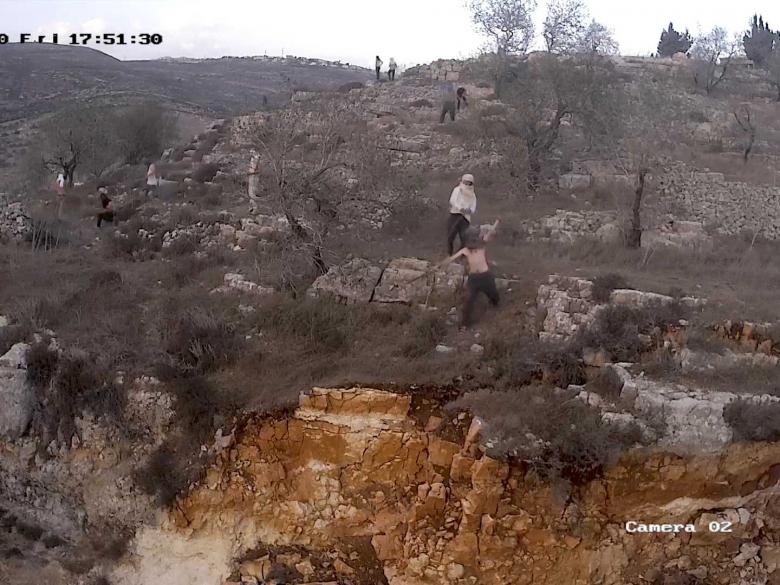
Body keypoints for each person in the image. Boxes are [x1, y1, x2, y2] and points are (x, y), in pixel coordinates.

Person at [435, 220, 501, 328]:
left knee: (494, 295)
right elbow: (452, 258)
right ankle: (465, 324)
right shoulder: (465, 250)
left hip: (486, 276)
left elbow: (490, 233)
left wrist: (497, 223)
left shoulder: (482, 245)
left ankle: (496, 308)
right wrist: (439, 265)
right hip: (474, 279)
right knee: (468, 301)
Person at [447, 173, 477, 255]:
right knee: (450, 236)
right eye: (466, 182)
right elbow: (453, 200)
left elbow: (473, 206)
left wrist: (470, 210)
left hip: (465, 218)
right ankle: (449, 254)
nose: (467, 184)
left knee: (465, 238)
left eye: (469, 183)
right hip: (455, 215)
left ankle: (459, 256)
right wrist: (460, 208)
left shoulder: (472, 194)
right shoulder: (457, 190)